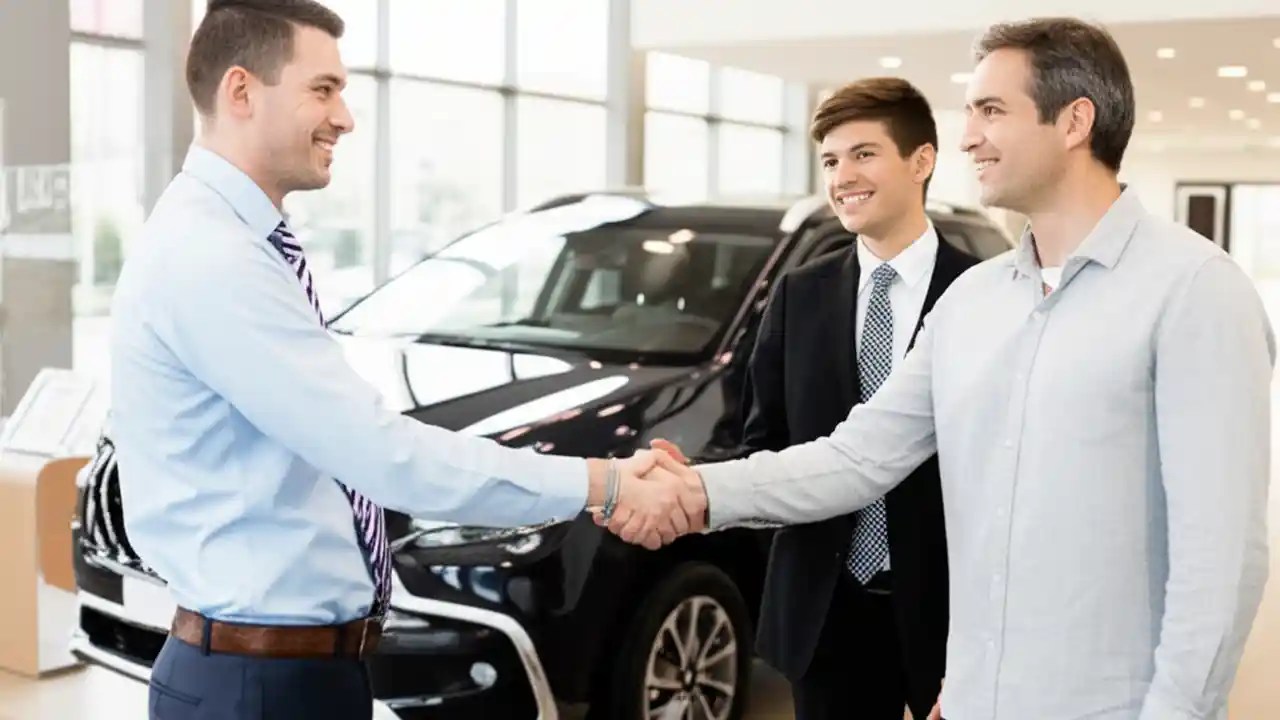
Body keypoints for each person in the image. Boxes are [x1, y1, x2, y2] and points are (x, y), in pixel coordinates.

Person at [614, 16, 1276, 720]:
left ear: (1074, 121)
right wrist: (698, 489)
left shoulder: (1194, 290)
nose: (967, 138)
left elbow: (1219, 559)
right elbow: (857, 457)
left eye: (992, 110)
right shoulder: (973, 302)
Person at [108, 2, 698, 718]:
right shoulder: (212, 257)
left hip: (286, 672)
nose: (345, 118)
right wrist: (604, 482)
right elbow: (383, 456)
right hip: (257, 686)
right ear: (242, 91)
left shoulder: (230, 240)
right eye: (323, 89)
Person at [654, 77, 974, 720]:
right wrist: (703, 485)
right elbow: (765, 444)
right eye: (830, 161)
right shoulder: (799, 295)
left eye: (863, 154)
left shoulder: (980, 293)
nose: (842, 177)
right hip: (825, 610)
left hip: (949, 610)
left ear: (921, 161)